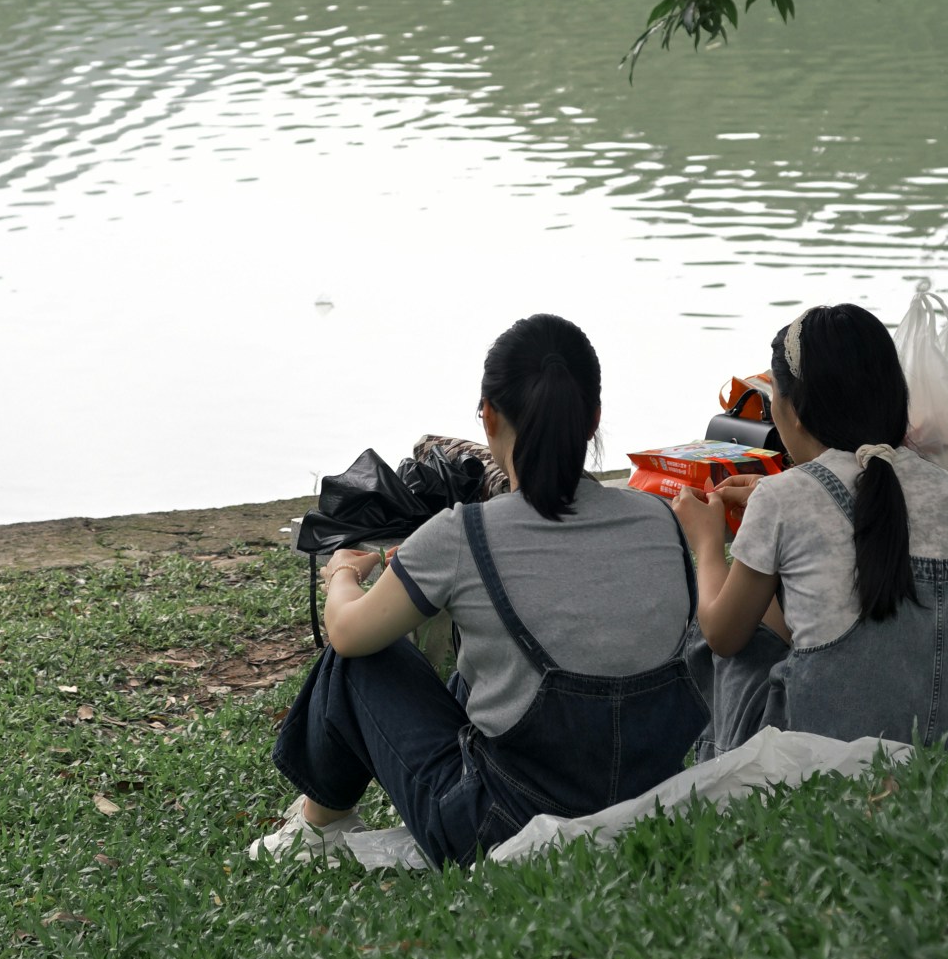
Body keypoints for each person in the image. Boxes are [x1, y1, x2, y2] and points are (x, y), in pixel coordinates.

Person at [253, 313, 707, 867]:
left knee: (362, 660)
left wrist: (342, 575)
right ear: (594, 418)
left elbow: (346, 634)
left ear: (487, 417)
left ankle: (317, 828)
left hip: (501, 825)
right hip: (650, 801)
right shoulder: (658, 518)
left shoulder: (463, 533)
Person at [673, 302, 948, 752]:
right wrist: (768, 527)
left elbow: (722, 635)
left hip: (823, 757)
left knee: (719, 633)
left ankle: (722, 761)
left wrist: (708, 542)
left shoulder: (782, 497)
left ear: (793, 411)